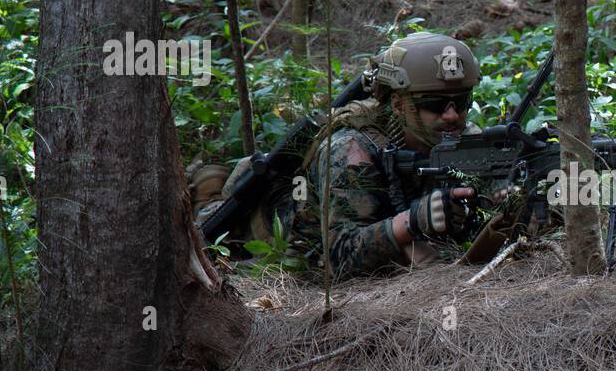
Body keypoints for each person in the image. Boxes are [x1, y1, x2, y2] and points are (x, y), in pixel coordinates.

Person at [189, 31, 491, 277]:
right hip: (268, 234)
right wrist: (410, 223)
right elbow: (338, 257)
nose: (452, 116)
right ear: (399, 105)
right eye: (435, 105)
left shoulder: (462, 139)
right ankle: (207, 185)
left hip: (372, 220)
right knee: (209, 223)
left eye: (462, 102)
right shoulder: (351, 150)